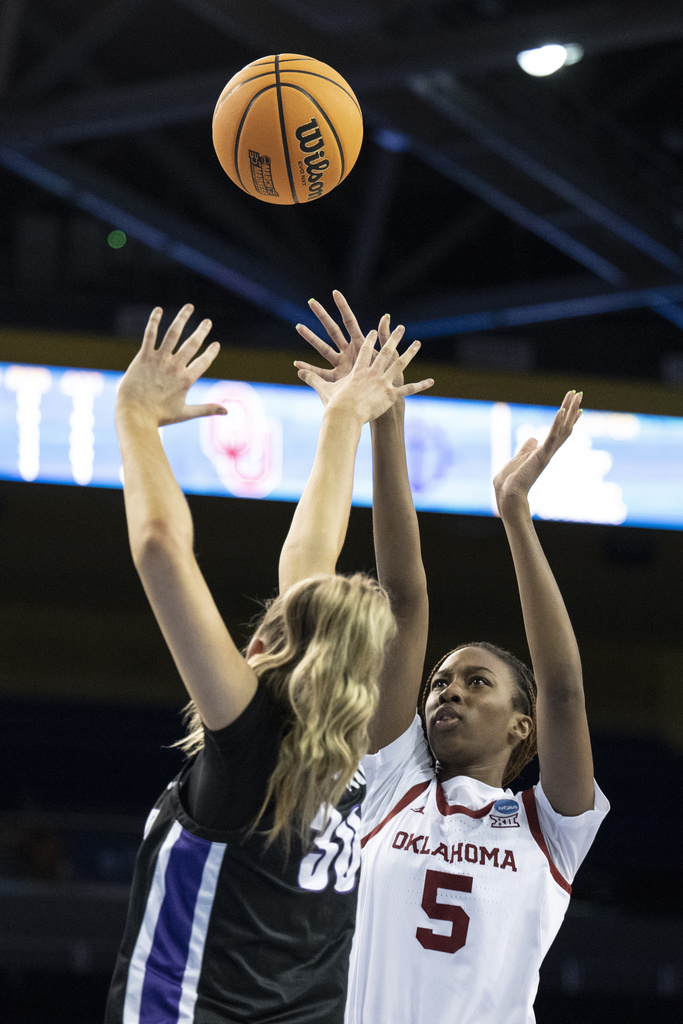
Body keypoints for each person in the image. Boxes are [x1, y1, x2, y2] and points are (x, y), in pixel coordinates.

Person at [104, 303, 434, 1024]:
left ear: (264, 645)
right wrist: (346, 414)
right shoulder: (365, 757)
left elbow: (162, 545)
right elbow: (307, 561)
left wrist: (133, 412)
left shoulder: (250, 740)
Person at [295, 294, 610, 1024]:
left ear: (520, 728)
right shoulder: (392, 783)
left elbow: (562, 690)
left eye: (475, 683)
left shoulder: (549, 828)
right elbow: (402, 600)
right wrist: (386, 423)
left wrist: (514, 514)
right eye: (440, 682)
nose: (447, 693)